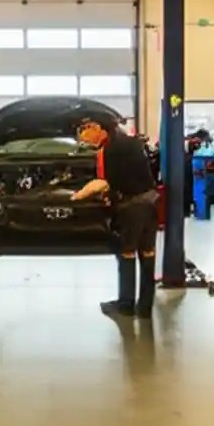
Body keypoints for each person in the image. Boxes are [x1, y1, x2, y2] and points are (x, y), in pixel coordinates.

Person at [73, 119, 161, 319]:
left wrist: (82, 196)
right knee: (147, 252)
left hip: (132, 206)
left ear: (96, 128)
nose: (86, 142)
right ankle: (145, 307)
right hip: (150, 200)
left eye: (85, 136)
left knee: (127, 253)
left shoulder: (108, 150)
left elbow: (105, 183)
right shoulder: (131, 142)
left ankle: (126, 305)